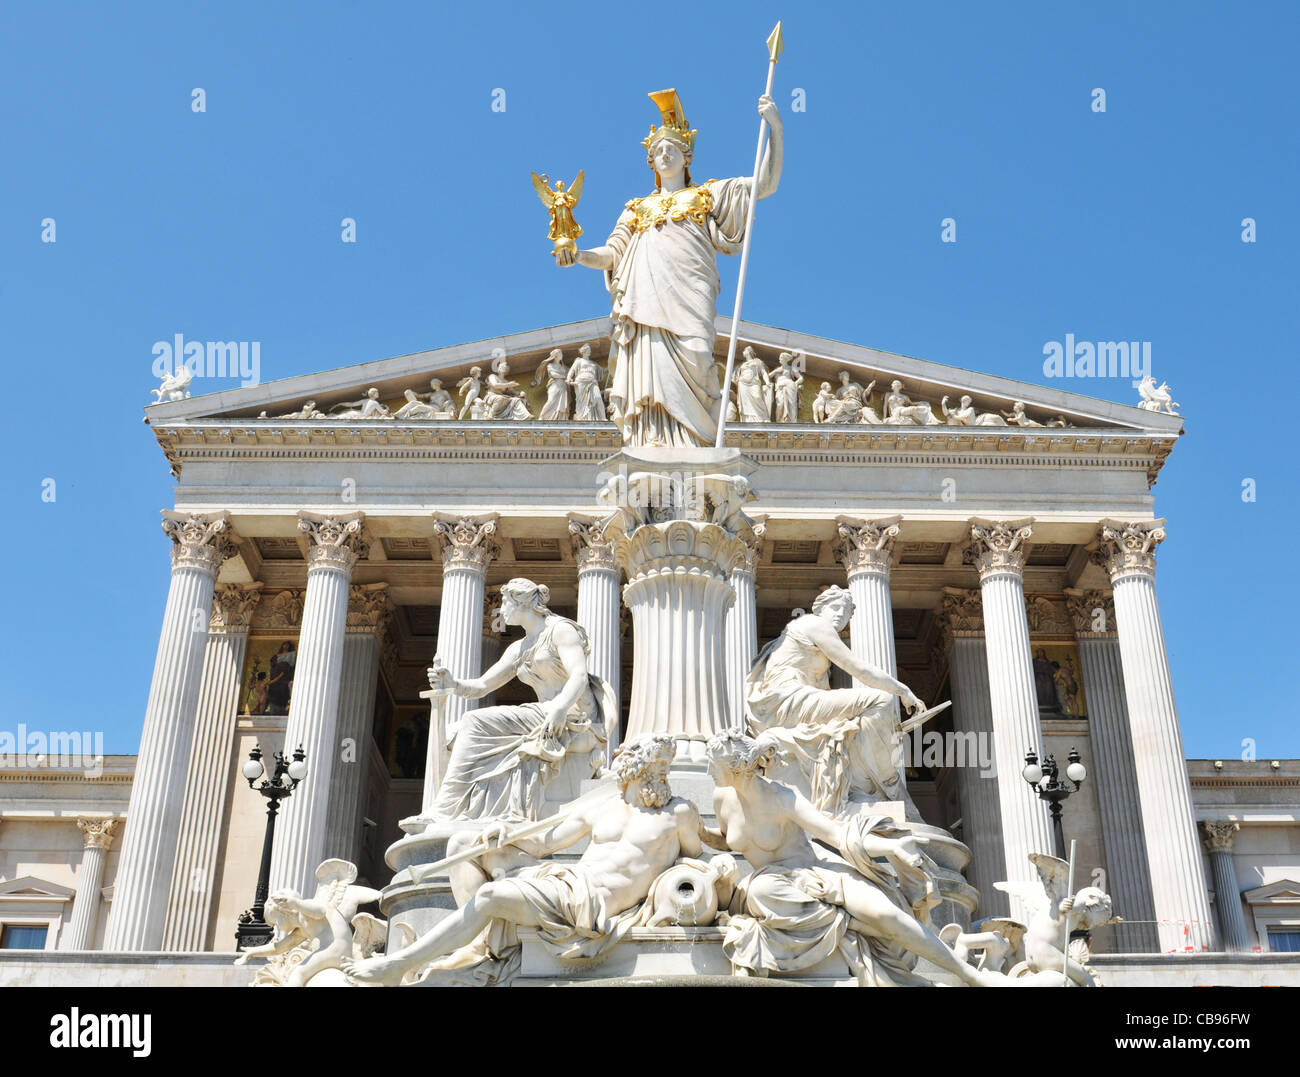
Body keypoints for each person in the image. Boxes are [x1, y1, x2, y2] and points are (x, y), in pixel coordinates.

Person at [343, 735, 701, 986]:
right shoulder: (604, 807)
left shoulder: (679, 813)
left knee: (489, 897)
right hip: (567, 880)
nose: (661, 776)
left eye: (663, 770)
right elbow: (545, 843)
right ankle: (481, 943)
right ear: (631, 769)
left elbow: (697, 860)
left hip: (589, 904)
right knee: (465, 841)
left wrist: (710, 871)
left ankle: (402, 963)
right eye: (654, 769)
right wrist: (506, 832)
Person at [557, 91, 783, 447]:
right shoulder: (636, 208)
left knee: (696, 354)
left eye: (672, 150)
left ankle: (694, 441)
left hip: (690, 295)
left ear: (686, 157)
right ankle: (654, 441)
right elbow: (613, 253)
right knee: (650, 367)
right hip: (644, 301)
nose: (664, 155)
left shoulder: (708, 195)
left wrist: (775, 128)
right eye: (658, 152)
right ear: (651, 162)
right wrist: (579, 254)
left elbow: (765, 185)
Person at [702, 733, 1003, 986]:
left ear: (737, 767)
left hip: (813, 870)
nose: (707, 771)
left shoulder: (783, 798)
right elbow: (726, 839)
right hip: (770, 881)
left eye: (712, 764)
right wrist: (697, 832)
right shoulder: (722, 798)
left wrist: (890, 848)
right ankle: (855, 927)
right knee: (759, 890)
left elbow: (836, 834)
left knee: (887, 915)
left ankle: (968, 975)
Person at [426, 578, 609, 822]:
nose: (500, 610)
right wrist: (452, 684)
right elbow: (482, 686)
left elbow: (579, 675)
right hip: (542, 713)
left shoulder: (560, 630)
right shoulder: (519, 649)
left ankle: (446, 807)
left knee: (473, 720)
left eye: (504, 602)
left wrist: (559, 709)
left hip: (574, 715)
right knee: (455, 732)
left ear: (521, 602)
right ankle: (463, 810)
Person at [746, 586, 922, 814]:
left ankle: (861, 784)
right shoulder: (814, 624)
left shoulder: (809, 638)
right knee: (881, 700)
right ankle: (876, 784)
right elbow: (858, 668)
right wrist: (903, 691)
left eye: (847, 612)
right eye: (836, 607)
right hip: (787, 702)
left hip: (795, 702)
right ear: (819, 608)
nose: (841, 614)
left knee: (851, 725)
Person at [566, 344, 607, 422]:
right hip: (581, 382)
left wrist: (613, 364)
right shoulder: (579, 361)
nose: (590, 351)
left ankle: (603, 418)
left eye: (590, 350)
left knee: (598, 398)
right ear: (583, 351)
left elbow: (603, 370)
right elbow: (572, 371)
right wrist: (568, 379)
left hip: (592, 382)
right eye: (588, 350)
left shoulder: (593, 363)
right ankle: (582, 417)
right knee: (582, 402)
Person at [530, 349, 571, 420]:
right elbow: (554, 374)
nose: (562, 355)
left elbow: (571, 374)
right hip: (555, 385)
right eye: (560, 354)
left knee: (563, 404)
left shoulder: (564, 367)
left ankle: (561, 418)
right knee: (551, 400)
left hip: (563, 386)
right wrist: (564, 377)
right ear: (555, 356)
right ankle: (542, 417)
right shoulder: (550, 365)